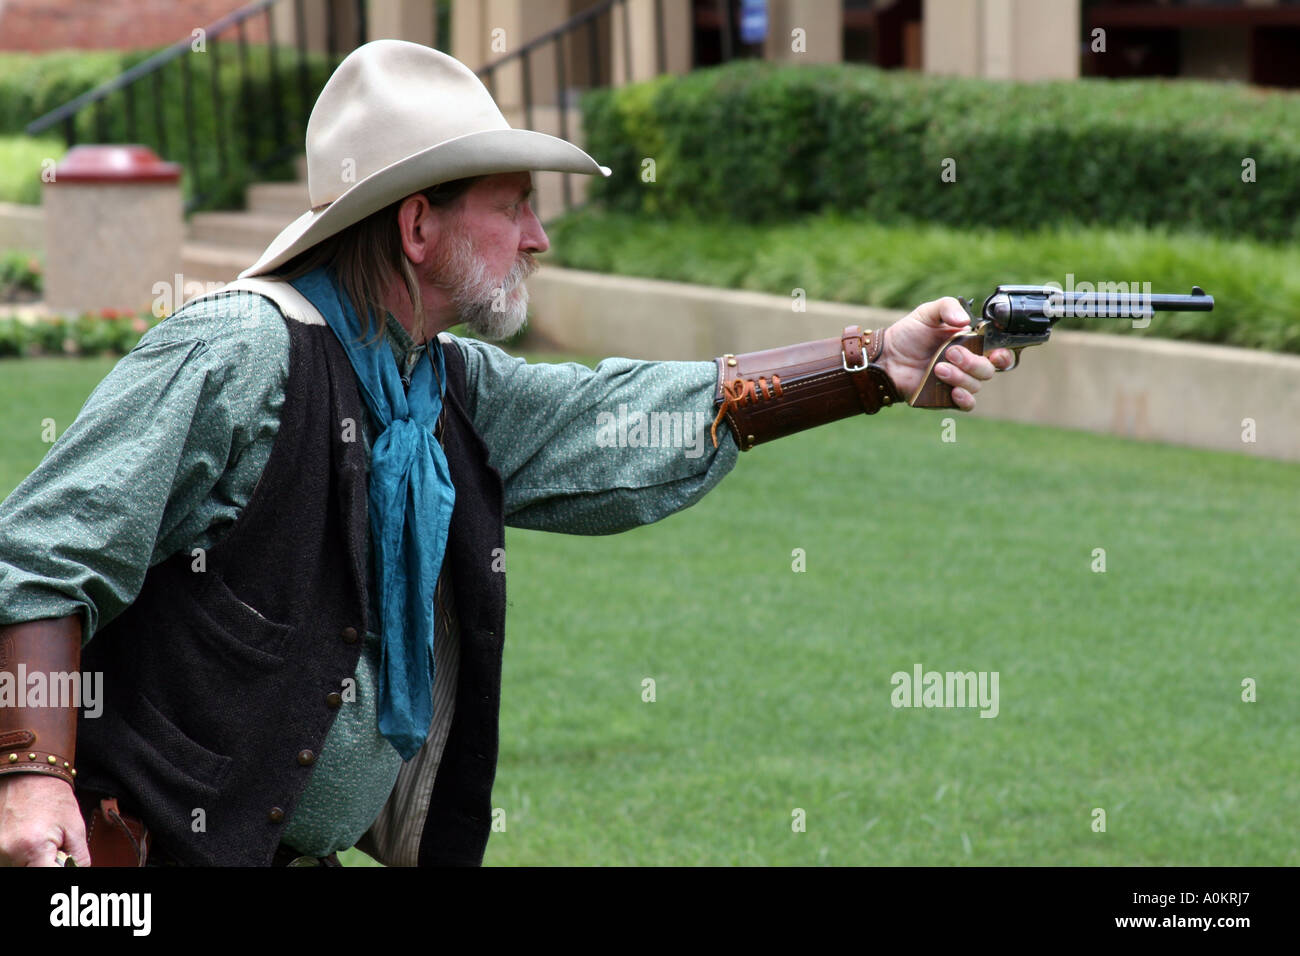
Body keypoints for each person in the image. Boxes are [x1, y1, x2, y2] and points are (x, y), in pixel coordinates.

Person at [0, 40, 1012, 867]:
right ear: (416, 224)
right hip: (119, 865)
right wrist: (32, 772)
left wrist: (872, 366)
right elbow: (43, 555)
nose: (537, 237)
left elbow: (629, 417)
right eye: (514, 203)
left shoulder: (442, 383)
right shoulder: (241, 349)